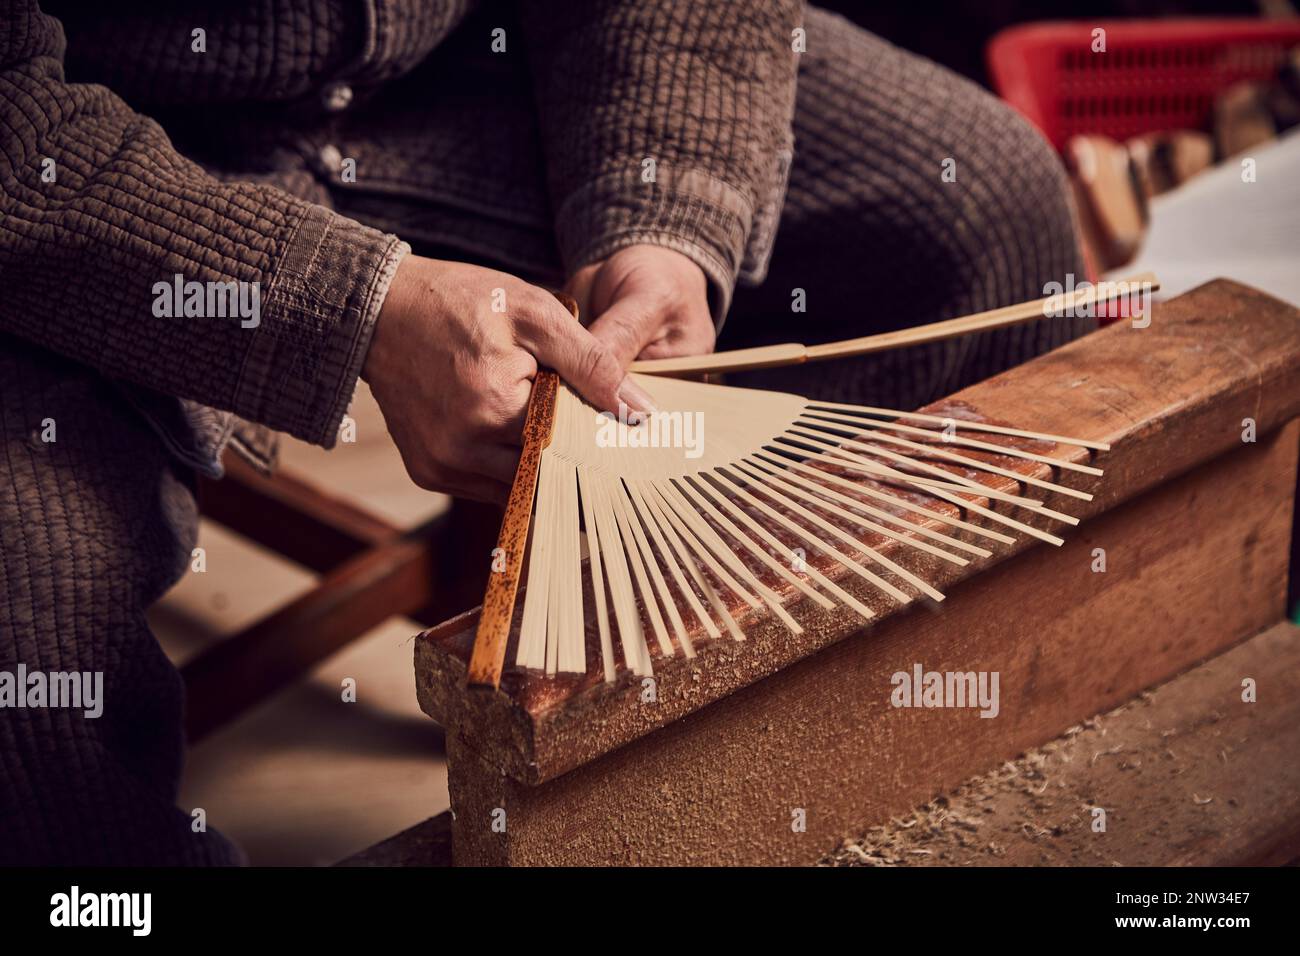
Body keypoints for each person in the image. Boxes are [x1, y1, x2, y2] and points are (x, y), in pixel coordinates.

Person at [0, 0, 1089, 864]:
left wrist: (667, 211)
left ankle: (802, 781)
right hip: (91, 153)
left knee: (980, 215)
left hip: (464, 64)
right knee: (24, 603)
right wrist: (347, 305)